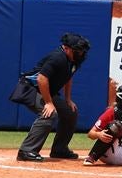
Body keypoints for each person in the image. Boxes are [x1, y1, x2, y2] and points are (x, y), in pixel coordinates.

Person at [9, 33, 90, 162]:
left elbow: (68, 78)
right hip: (29, 88)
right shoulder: (58, 58)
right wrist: (48, 102)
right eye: (77, 51)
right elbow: (42, 78)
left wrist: (68, 99)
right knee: (49, 113)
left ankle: (60, 149)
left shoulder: (73, 61)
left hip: (46, 91)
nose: (80, 54)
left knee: (70, 112)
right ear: (66, 48)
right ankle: (26, 151)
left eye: (81, 51)